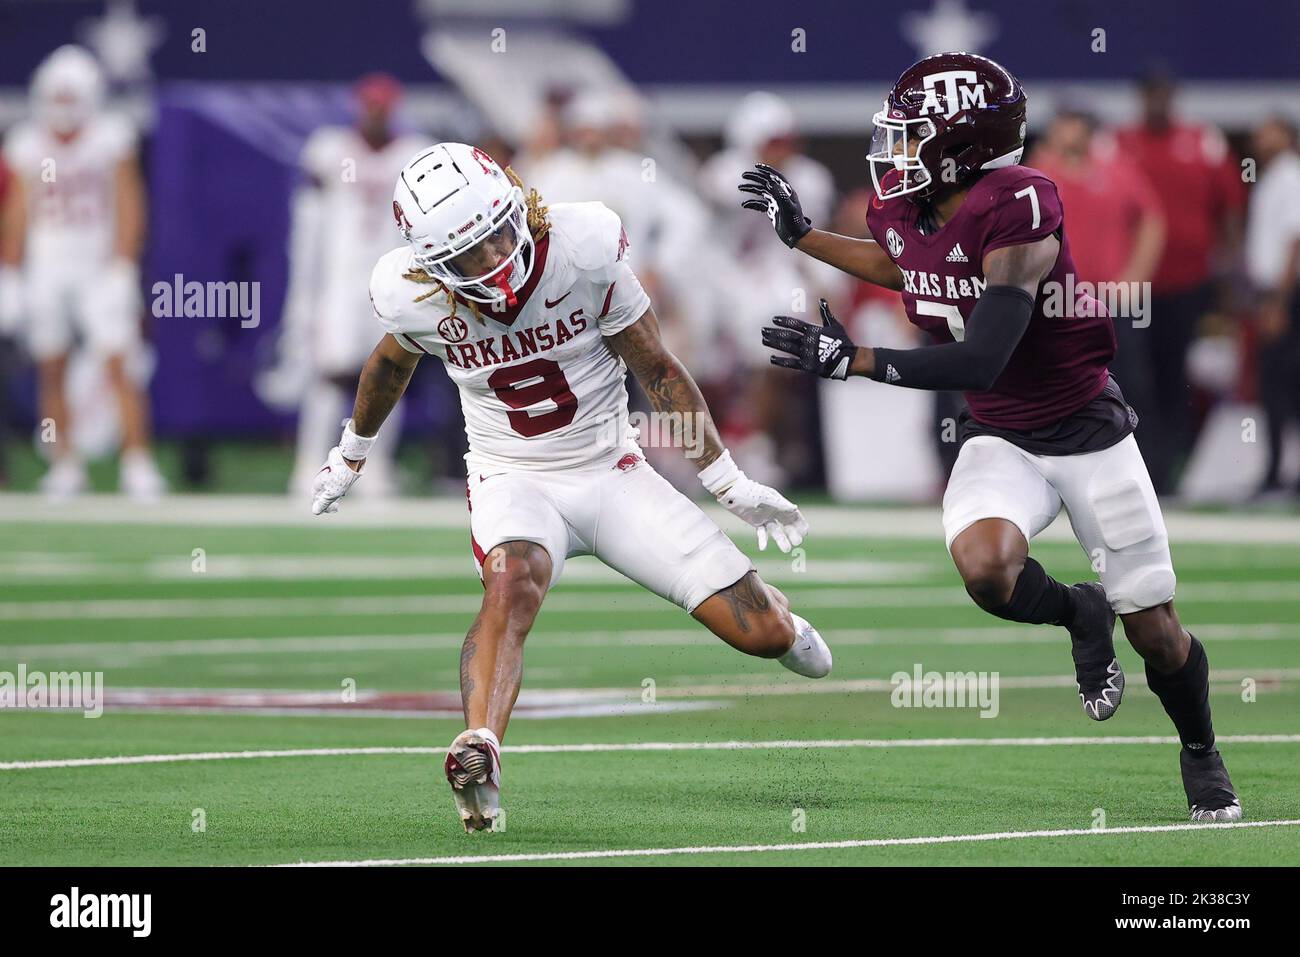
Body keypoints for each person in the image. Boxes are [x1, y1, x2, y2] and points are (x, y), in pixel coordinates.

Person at [740, 53, 1240, 822]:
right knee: (984, 570)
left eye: (912, 137)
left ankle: (1201, 748)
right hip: (1000, 431)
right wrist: (805, 236)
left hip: (1087, 432)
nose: (893, 152)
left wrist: (858, 359)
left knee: (1158, 634)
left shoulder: (1022, 206)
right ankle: (1080, 612)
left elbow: (983, 353)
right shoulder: (910, 209)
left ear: (962, 146)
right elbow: (909, 266)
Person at [310, 143, 831, 832]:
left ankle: (782, 617)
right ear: (432, 264)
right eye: (468, 254)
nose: (494, 256)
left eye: (498, 230)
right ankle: (480, 747)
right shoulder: (411, 293)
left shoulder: (582, 244)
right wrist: (352, 454)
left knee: (761, 633)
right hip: (511, 473)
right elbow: (387, 369)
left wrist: (727, 482)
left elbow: (660, 369)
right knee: (510, 579)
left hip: (611, 473)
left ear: (517, 205)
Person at [0, 45, 164, 499]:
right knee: (50, 367)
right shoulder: (27, 143)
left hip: (96, 266)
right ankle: (64, 464)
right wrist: (10, 271)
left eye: (72, 99)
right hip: (47, 266)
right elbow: (17, 211)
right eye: (57, 98)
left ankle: (137, 463)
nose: (63, 109)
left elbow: (129, 203)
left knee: (120, 364)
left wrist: (123, 264)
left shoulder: (110, 137)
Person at [261, 73, 427, 497]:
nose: (375, 113)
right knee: (330, 375)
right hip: (340, 282)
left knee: (392, 373)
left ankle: (375, 473)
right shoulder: (329, 149)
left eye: (382, 106)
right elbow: (308, 227)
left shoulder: (412, 154)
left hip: (393, 281)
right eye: (370, 105)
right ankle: (310, 468)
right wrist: (306, 295)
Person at [1113, 71, 1245, 495]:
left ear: (1173, 97)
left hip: (1187, 282)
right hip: (1132, 286)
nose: (1157, 102)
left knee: (1175, 376)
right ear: (1141, 98)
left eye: (1163, 94)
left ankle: (1169, 473)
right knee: (1133, 378)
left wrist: (1228, 269)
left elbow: (1231, 209)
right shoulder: (1119, 144)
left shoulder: (1202, 142)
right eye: (1150, 94)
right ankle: (1135, 469)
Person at [1243, 116, 1300, 497]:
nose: (1259, 136)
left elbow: (1296, 241)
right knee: (1273, 384)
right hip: (1273, 293)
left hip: (1288, 295)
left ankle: (1281, 471)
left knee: (1284, 384)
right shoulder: (1271, 177)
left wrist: (1279, 301)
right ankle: (1276, 469)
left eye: (1269, 130)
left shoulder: (1290, 177)